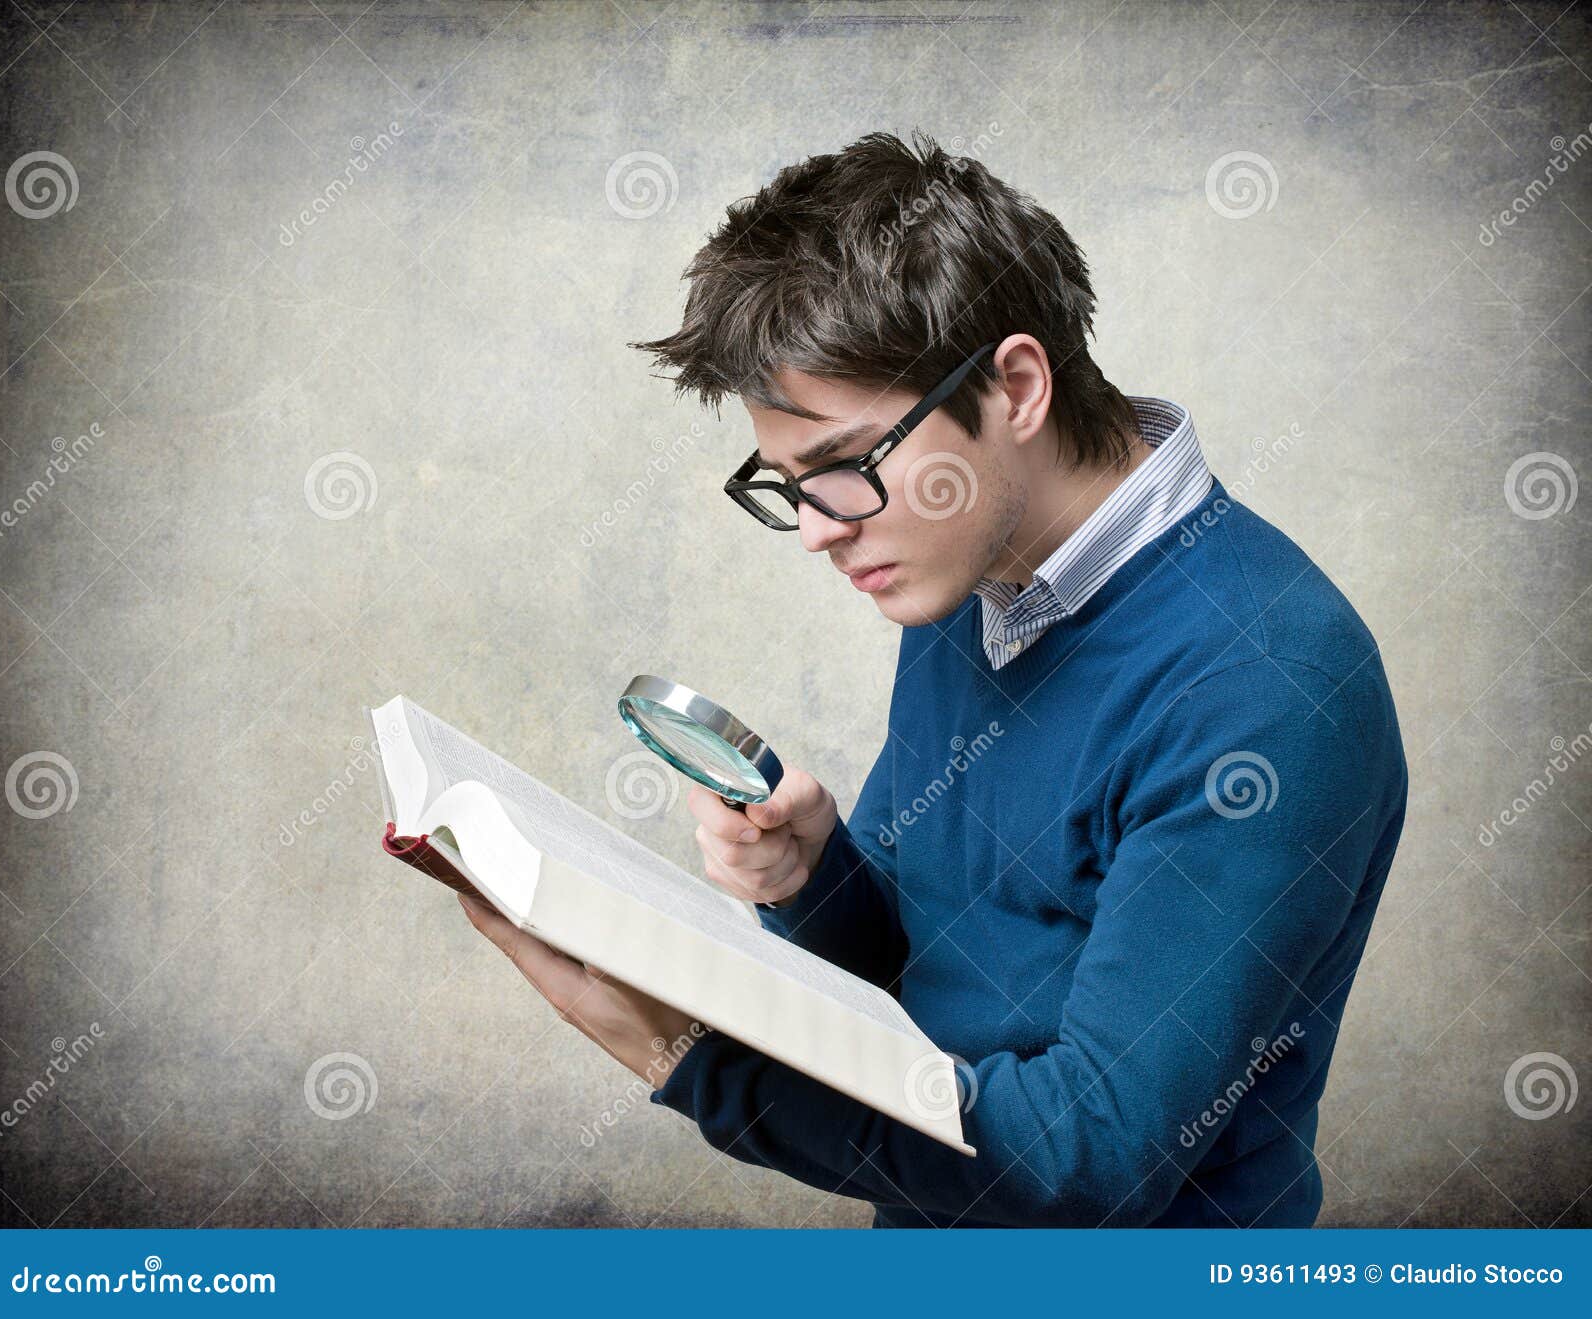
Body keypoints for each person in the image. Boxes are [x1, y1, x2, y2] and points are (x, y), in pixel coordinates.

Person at [458, 131, 1409, 1228]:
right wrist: (816, 881)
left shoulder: (1267, 686)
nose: (815, 531)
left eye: (847, 469)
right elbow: (931, 982)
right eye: (786, 484)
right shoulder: (972, 568)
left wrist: (689, 1060)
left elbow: (1086, 1162)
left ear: (1014, 386)